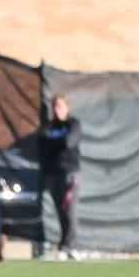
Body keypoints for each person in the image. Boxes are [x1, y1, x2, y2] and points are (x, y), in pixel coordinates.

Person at [38, 94, 82, 259]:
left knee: (70, 210)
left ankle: (71, 246)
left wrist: (53, 143)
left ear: (67, 108)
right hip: (52, 174)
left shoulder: (73, 124)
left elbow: (68, 142)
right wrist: (53, 143)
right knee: (60, 211)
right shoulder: (48, 127)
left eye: (60, 106)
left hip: (70, 174)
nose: (57, 110)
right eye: (55, 106)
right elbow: (42, 144)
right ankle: (64, 245)